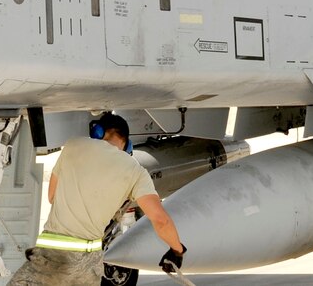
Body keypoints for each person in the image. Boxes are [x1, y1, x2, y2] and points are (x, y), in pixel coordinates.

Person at [10, 113, 185, 286]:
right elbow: (160, 220)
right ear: (127, 145)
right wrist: (177, 251)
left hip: (54, 259)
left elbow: (52, 196)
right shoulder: (136, 171)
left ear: (98, 132)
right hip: (89, 268)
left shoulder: (74, 146)